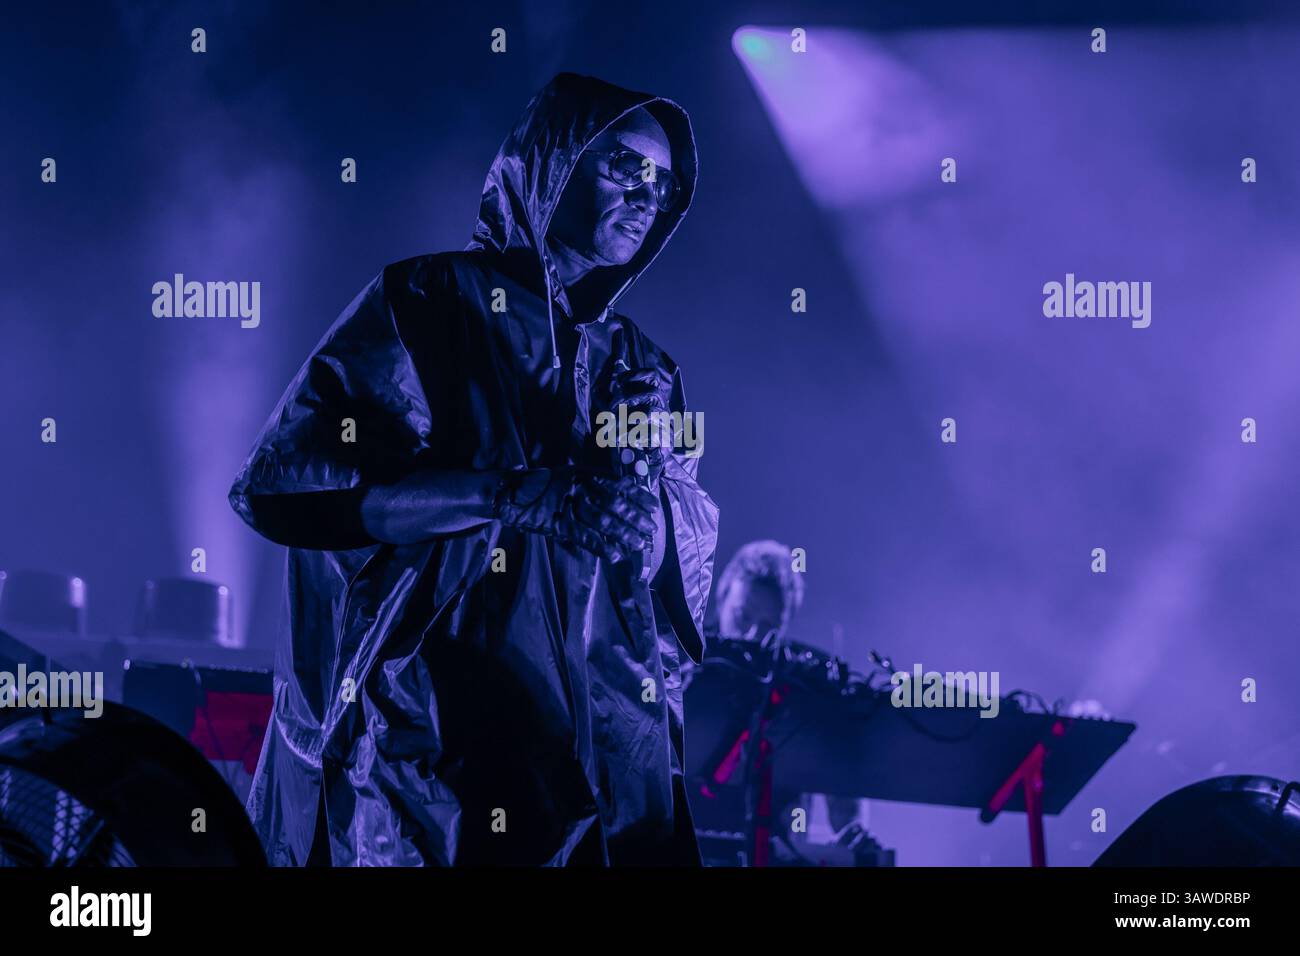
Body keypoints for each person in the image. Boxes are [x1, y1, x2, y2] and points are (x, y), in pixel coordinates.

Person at [228, 73, 718, 866]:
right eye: (625, 167)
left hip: (602, 757)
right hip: (435, 741)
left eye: (662, 184)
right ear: (554, 161)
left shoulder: (639, 363)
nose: (646, 196)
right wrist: (514, 496)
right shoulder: (428, 302)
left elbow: (686, 554)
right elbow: (299, 484)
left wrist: (648, 520)